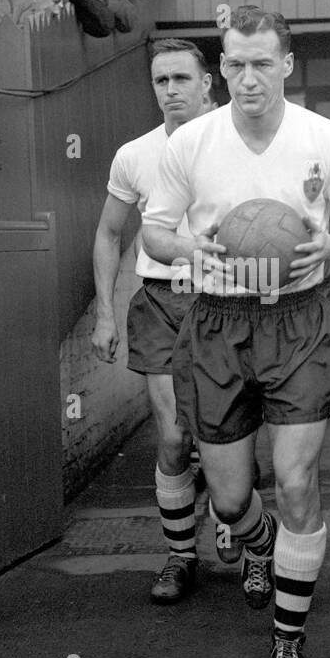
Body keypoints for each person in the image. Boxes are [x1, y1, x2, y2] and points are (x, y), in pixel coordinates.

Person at [142, 6, 330, 658]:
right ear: (223, 69)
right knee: (228, 496)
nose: (247, 78)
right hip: (216, 320)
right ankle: (261, 543)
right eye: (235, 64)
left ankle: (287, 642)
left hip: (300, 319)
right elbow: (155, 233)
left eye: (261, 63)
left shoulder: (324, 137)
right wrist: (190, 246)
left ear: (286, 65)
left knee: (298, 480)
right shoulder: (190, 144)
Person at [92, 40, 215, 602]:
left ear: (206, 81)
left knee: (226, 432)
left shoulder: (238, 144)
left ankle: (244, 523)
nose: (170, 90)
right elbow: (110, 233)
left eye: (181, 79)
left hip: (229, 301)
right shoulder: (134, 154)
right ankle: (181, 555)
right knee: (173, 435)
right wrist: (104, 313)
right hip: (162, 301)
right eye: (160, 80)